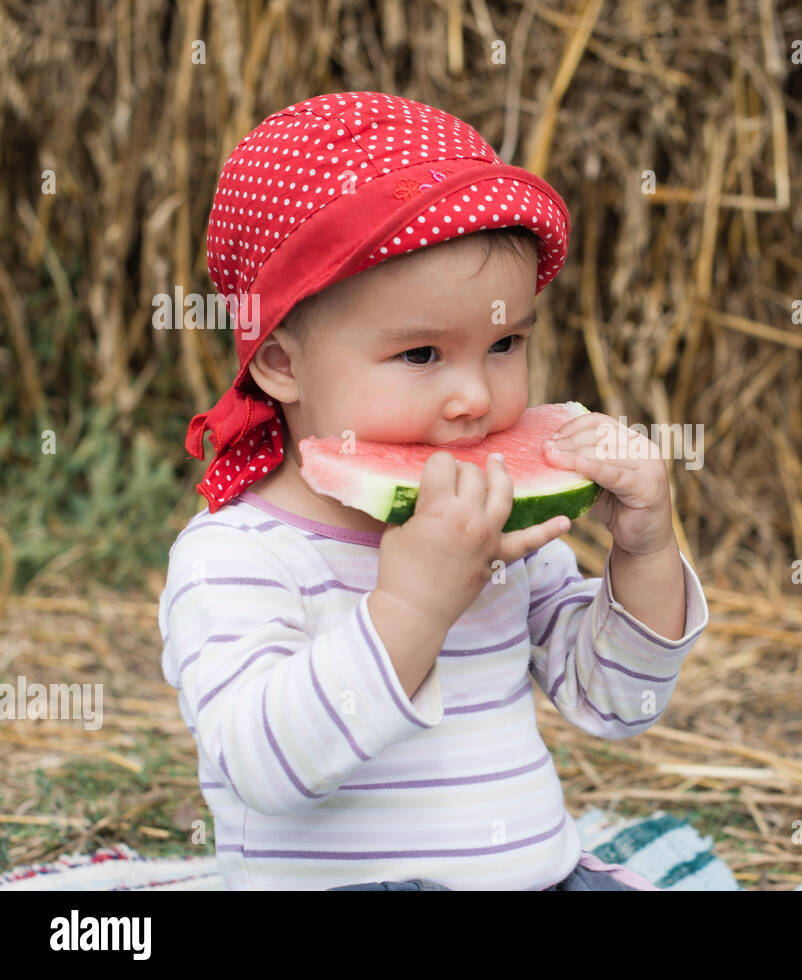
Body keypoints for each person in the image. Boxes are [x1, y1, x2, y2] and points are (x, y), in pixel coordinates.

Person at [158, 92, 709, 890]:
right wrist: (415, 605)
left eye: (505, 343)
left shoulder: (497, 528)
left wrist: (646, 547)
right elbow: (264, 765)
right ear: (280, 364)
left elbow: (615, 704)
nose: (475, 398)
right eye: (420, 355)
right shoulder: (235, 556)